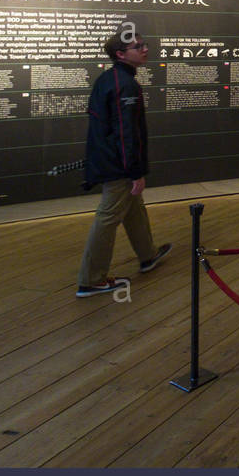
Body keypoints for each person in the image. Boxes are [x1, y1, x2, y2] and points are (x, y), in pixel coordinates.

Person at [76, 27, 171, 297]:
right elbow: (125, 133)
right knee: (108, 217)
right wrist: (135, 171)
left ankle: (148, 255)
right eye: (137, 46)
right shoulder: (124, 84)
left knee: (134, 208)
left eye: (144, 44)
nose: (145, 49)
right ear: (120, 54)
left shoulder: (110, 79)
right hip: (117, 164)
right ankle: (91, 279)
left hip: (110, 159)